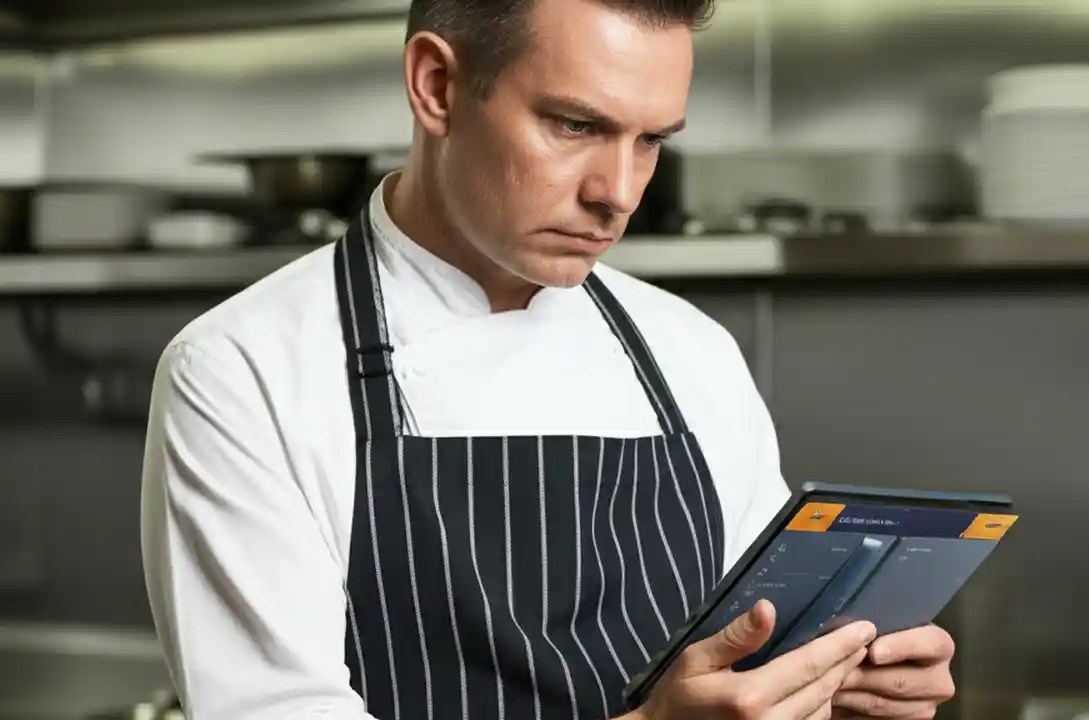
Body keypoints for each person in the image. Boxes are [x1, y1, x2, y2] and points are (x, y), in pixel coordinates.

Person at [139, 0, 958, 717]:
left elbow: (752, 657)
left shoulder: (690, 351)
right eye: (576, 125)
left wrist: (832, 688)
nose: (620, 192)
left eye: (652, 141)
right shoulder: (241, 371)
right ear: (435, 85)